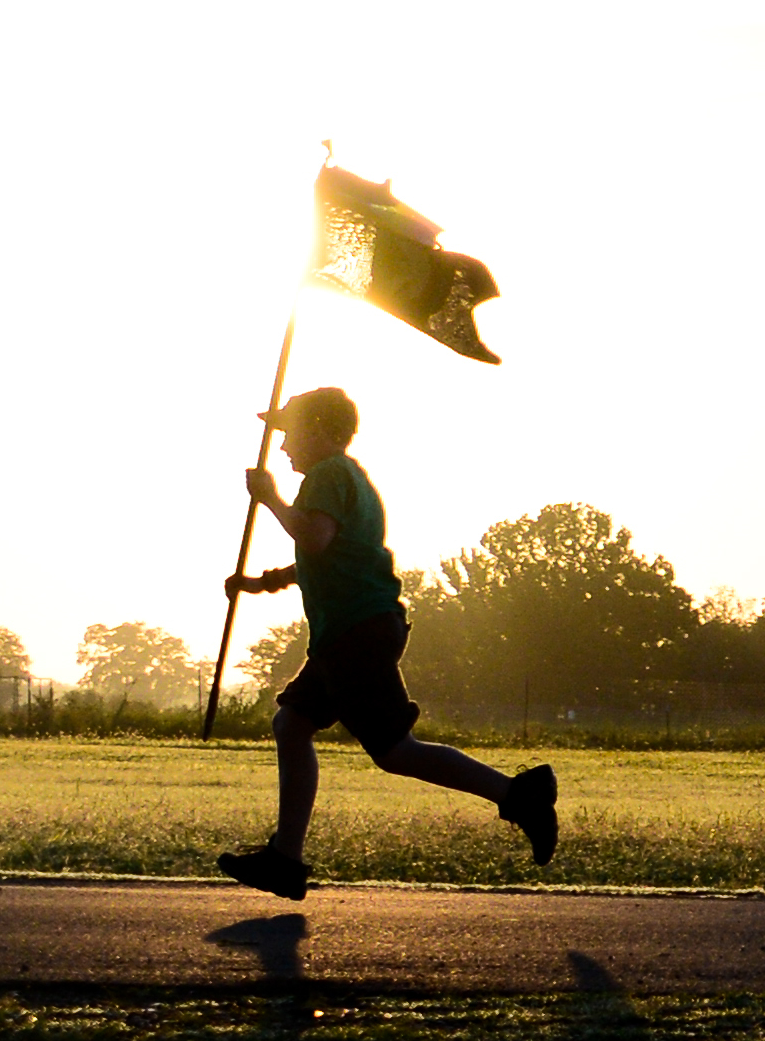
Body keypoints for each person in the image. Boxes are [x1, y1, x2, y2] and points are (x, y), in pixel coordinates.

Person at [221, 386, 559, 900]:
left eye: (290, 430)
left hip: (357, 632)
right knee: (292, 724)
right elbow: (327, 555)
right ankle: (284, 859)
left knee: (395, 750)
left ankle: (519, 796)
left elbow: (314, 538)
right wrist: (261, 583)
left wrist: (269, 498)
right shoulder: (344, 478)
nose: (283, 444)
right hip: (351, 632)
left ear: (322, 431)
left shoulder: (327, 475)